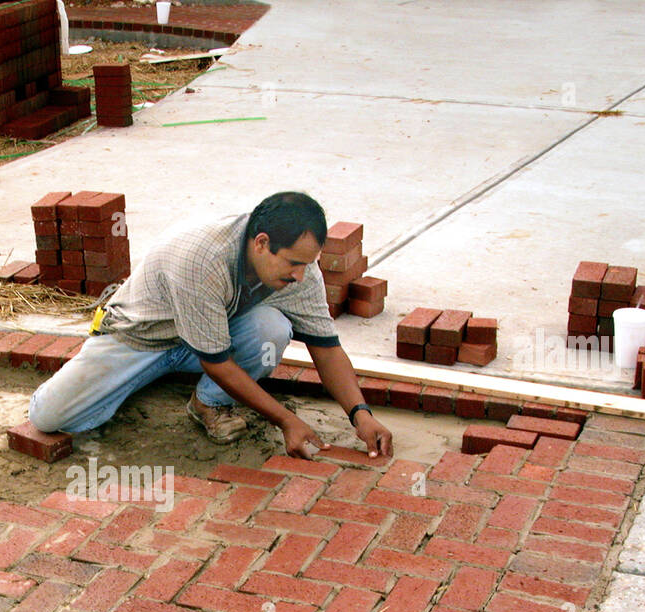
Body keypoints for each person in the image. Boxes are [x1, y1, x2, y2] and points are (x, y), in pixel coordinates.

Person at [27, 190, 393, 460]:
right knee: (49, 416)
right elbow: (216, 363)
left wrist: (360, 414)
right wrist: (286, 421)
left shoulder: (300, 270)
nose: (301, 275)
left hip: (205, 340)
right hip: (140, 339)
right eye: (293, 264)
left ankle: (207, 402)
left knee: (272, 329)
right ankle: (129, 377)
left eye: (307, 263)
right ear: (262, 243)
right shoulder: (203, 259)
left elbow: (327, 349)